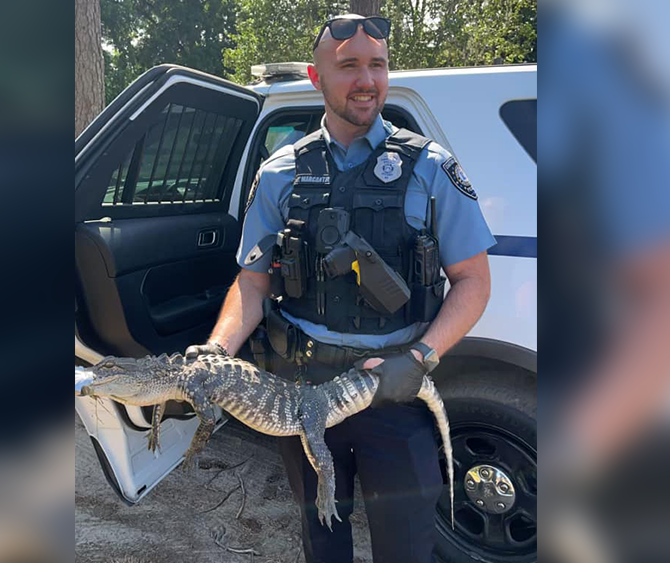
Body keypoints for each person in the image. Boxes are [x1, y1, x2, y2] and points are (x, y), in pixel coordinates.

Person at [186, 14, 493, 563]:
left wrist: (421, 358)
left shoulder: (430, 167)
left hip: (392, 392)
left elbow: (472, 282)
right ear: (315, 76)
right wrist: (214, 355)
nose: (366, 80)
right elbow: (252, 285)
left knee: (407, 548)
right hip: (302, 392)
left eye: (377, 65)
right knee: (321, 544)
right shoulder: (280, 174)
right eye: (348, 66)